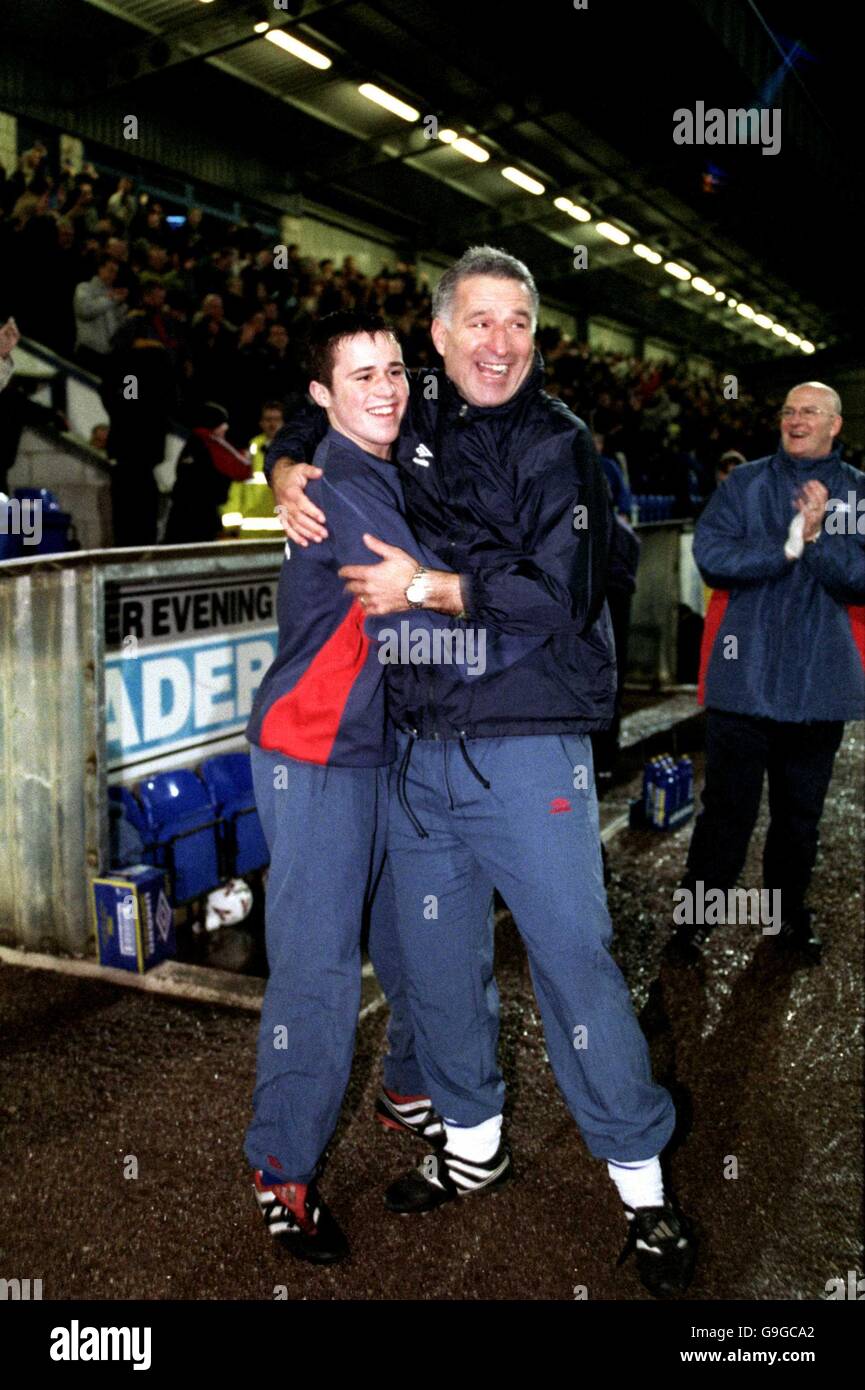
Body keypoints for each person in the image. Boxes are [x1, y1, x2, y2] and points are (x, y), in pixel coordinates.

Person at [269, 247, 696, 1297]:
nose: (498, 343)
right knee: (438, 967)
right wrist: (286, 463)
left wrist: (440, 587)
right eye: (478, 322)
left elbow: (556, 593)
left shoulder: (563, 446)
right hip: (418, 748)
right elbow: (326, 408)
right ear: (440, 340)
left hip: (523, 742)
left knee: (572, 958)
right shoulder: (409, 417)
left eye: (518, 324)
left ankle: (641, 1186)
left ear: (534, 339)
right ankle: (473, 1142)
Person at [244, 312, 535, 1263]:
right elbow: (422, 614)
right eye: (360, 374)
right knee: (320, 971)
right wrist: (530, 621)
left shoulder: (394, 446)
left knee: (414, 941)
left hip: (381, 747)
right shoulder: (338, 486)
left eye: (395, 368)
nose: (386, 386)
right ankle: (281, 1167)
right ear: (324, 396)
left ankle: (406, 1085)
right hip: (317, 751)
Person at [669, 381, 865, 964]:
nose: (796, 420)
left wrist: (819, 535)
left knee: (798, 820)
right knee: (726, 814)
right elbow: (713, 555)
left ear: (835, 426)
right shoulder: (746, 484)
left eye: (810, 412)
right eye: (788, 410)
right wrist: (785, 548)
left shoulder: (856, 494)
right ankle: (693, 924)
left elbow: (860, 575)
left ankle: (785, 922)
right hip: (743, 683)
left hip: (819, 687)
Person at [162, 402, 250, 544]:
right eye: (222, 423)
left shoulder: (191, 444)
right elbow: (243, 468)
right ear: (213, 424)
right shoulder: (211, 442)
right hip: (202, 517)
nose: (226, 428)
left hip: (179, 515)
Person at [73, 254, 128, 378]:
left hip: (108, 355)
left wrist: (121, 307)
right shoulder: (84, 287)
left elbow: (118, 327)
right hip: (88, 352)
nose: (113, 275)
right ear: (100, 269)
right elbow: (85, 311)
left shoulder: (113, 295)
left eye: (115, 272)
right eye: (110, 270)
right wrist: (111, 300)